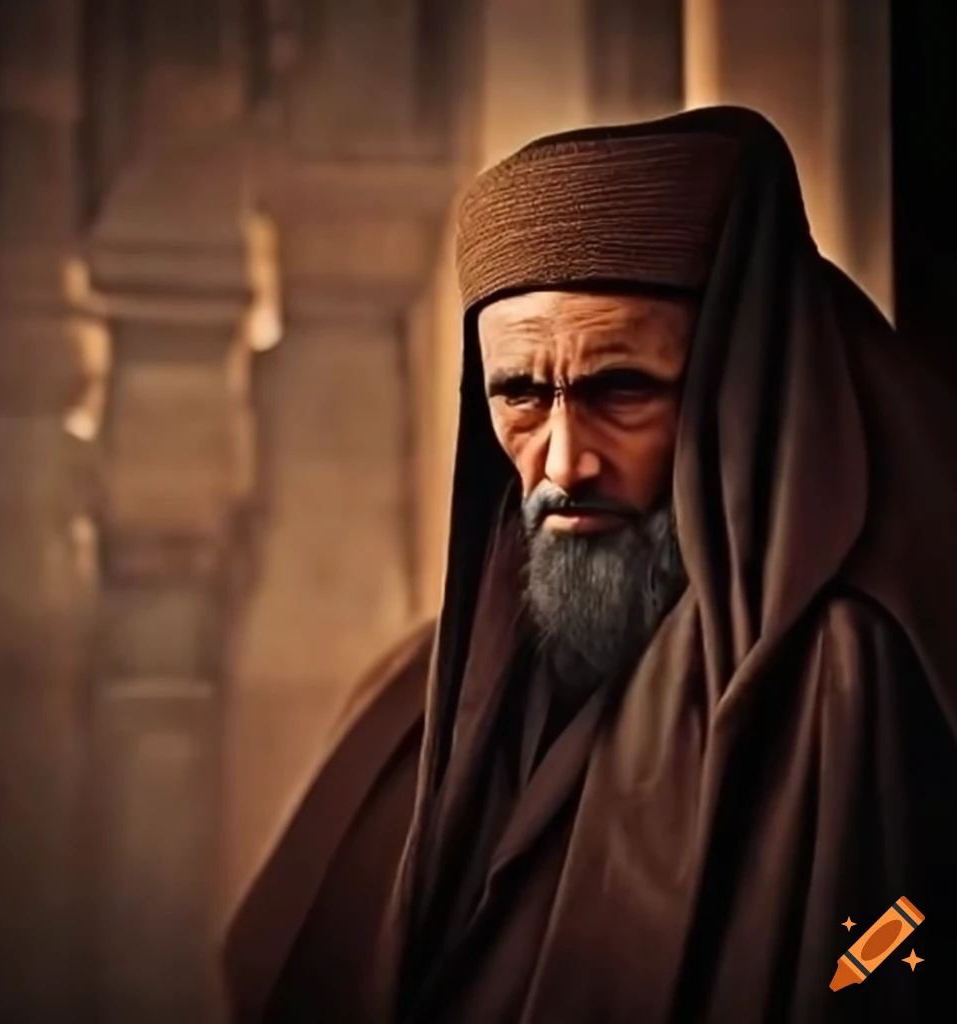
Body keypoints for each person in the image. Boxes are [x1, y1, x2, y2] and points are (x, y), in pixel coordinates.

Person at [224, 107, 957, 1023]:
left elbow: (885, 957)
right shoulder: (414, 694)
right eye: (521, 395)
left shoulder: (844, 679)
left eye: (624, 389)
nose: (564, 462)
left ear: (739, 389)